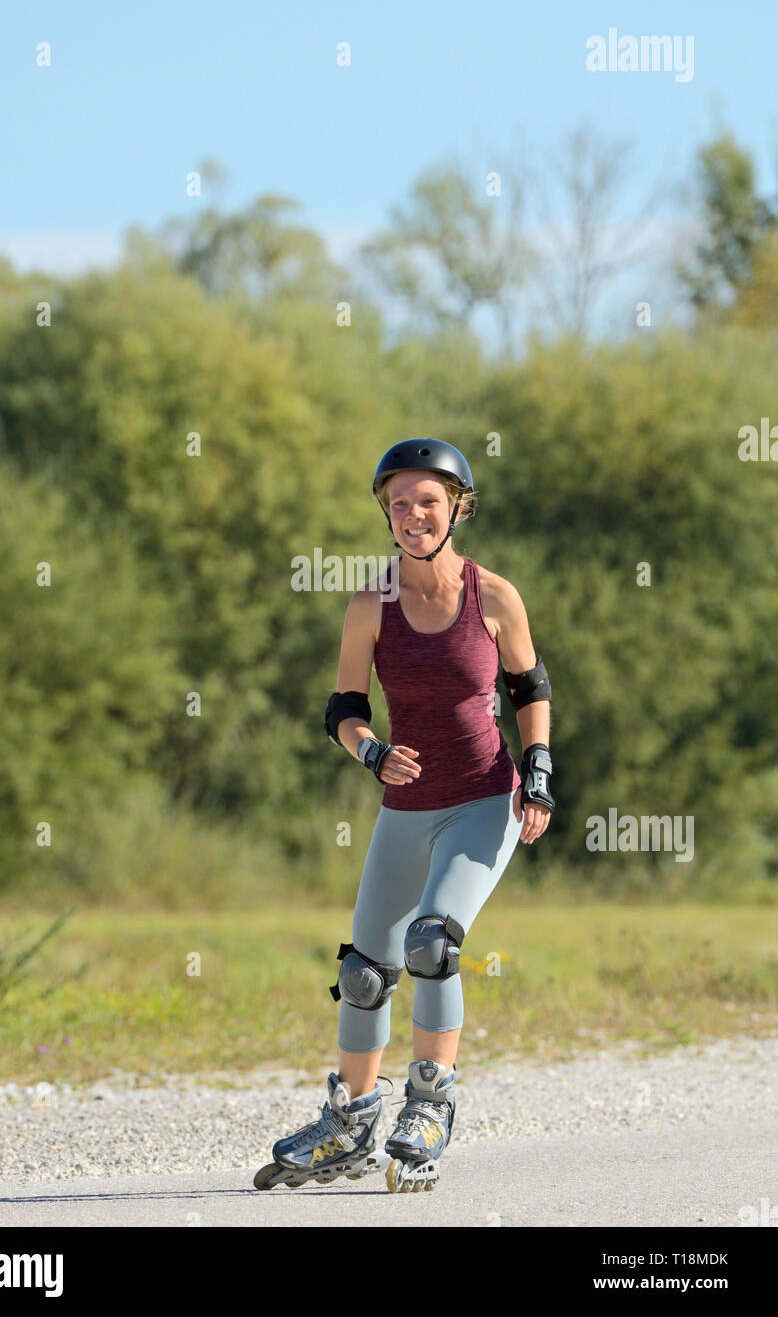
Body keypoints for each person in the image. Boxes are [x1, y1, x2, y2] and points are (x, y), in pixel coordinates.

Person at [254, 438, 554, 1193]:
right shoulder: (369, 604)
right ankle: (349, 1122)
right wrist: (370, 752)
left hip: (484, 798)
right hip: (405, 805)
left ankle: (428, 1106)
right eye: (398, 504)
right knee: (363, 971)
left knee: (433, 943)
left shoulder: (494, 597)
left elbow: (529, 686)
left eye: (428, 501)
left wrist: (541, 771)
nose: (413, 514)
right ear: (386, 516)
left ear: (459, 508)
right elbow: (344, 710)